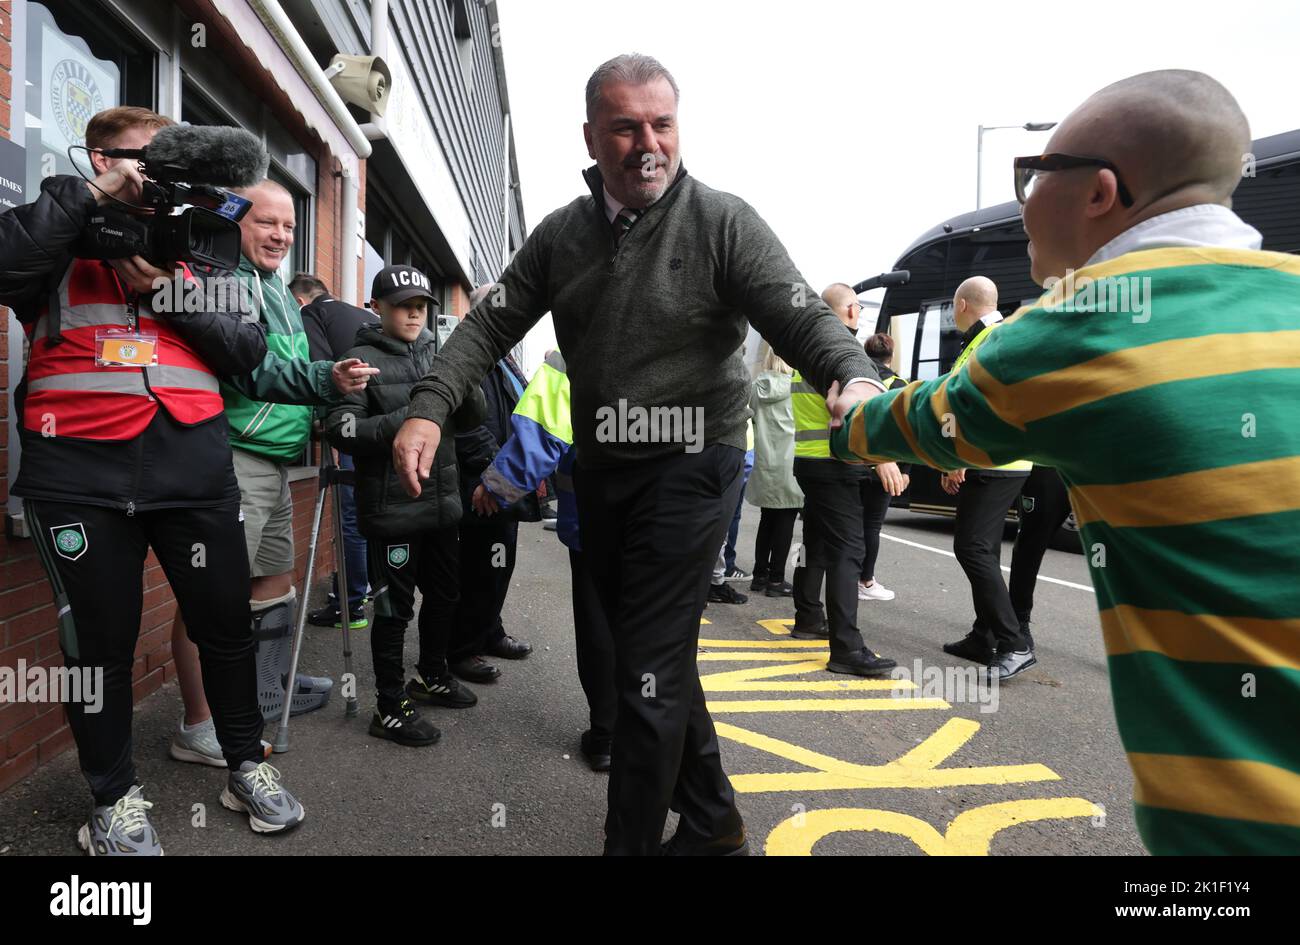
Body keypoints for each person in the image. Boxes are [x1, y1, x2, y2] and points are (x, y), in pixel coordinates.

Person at [391, 54, 885, 855]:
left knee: (642, 670)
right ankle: (715, 820)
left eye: (662, 124)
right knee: (650, 656)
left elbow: (801, 315)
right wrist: (427, 409)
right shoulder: (562, 235)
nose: (647, 143)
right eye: (625, 126)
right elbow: (487, 326)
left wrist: (854, 375)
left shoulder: (723, 222)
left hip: (695, 463)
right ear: (591, 135)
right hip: (606, 469)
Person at [833, 70, 1300, 855]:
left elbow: (922, 422)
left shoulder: (1074, 327)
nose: (1022, 201)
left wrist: (852, 409)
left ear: (1099, 192)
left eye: (1034, 174)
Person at [0, 106, 305, 853]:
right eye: (144, 161)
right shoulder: (55, 223)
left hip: (192, 470)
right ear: (100, 157)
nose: (159, 179)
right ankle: (113, 799)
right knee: (97, 645)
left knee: (226, 627)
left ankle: (244, 762)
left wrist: (175, 293)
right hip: (76, 473)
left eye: (171, 164)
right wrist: (96, 197)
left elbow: (246, 349)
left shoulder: (202, 242)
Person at [168, 179, 377, 765]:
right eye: (268, 223)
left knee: (273, 586)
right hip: (235, 456)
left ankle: (264, 692)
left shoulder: (280, 292)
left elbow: (300, 370)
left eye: (289, 225)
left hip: (278, 462)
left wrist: (328, 408)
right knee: (212, 598)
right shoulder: (223, 283)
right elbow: (243, 374)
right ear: (234, 221)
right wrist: (322, 382)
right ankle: (198, 723)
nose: (282, 235)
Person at [326, 265, 484, 745]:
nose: (414, 313)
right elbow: (341, 431)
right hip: (393, 508)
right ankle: (389, 707)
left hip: (443, 505)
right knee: (394, 609)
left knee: (445, 595)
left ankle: (432, 675)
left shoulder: (440, 355)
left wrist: (464, 383)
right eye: (403, 305)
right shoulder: (358, 359)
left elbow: (475, 416)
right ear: (377, 307)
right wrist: (415, 414)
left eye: (421, 305)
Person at [473, 350, 618, 771]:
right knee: (659, 632)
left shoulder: (575, 349)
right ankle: (655, 740)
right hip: (670, 524)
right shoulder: (686, 328)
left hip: (597, 520)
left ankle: (607, 736)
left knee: (600, 626)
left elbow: (542, 432)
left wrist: (497, 487)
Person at [788, 284, 897, 676]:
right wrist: (881, 458)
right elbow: (859, 414)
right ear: (850, 310)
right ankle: (847, 649)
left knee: (815, 544)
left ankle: (807, 617)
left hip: (810, 462)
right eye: (857, 307)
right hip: (836, 465)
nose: (859, 314)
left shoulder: (807, 350)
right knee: (848, 553)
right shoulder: (841, 352)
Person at [934, 276, 1035, 679]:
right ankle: (984, 636)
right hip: (995, 461)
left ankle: (1015, 642)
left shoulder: (990, 339)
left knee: (971, 548)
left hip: (996, 463)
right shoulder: (992, 336)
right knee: (984, 549)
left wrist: (958, 455)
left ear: (961, 304)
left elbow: (976, 406)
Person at [448, 284, 536, 685]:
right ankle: (463, 649)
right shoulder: (472, 353)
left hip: (505, 482)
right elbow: (468, 425)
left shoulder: (503, 358)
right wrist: (493, 476)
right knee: (480, 568)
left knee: (499, 565)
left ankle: (490, 630)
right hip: (483, 484)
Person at [290, 271, 379, 631]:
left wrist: (320, 422)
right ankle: (372, 588)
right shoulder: (365, 315)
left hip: (354, 425)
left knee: (351, 517)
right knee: (373, 512)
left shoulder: (312, 314)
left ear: (300, 301)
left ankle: (351, 604)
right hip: (385, 425)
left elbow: (320, 369)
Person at [858, 332, 910, 602]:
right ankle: (865, 581)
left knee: (851, 523)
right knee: (872, 525)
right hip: (886, 466)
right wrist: (905, 471)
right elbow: (909, 432)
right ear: (890, 355)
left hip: (855, 461)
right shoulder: (900, 384)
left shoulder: (857, 379)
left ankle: (844, 574)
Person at [747, 345, 803, 597]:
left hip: (764, 462)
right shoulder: (795, 389)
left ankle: (759, 575)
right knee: (785, 522)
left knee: (767, 519)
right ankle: (777, 580)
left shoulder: (755, 388)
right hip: (788, 464)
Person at [1008, 465, 1073, 645]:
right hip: (1050, 464)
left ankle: (1122, 633)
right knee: (1031, 545)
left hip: (1099, 468)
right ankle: (1018, 620)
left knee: (1104, 558)